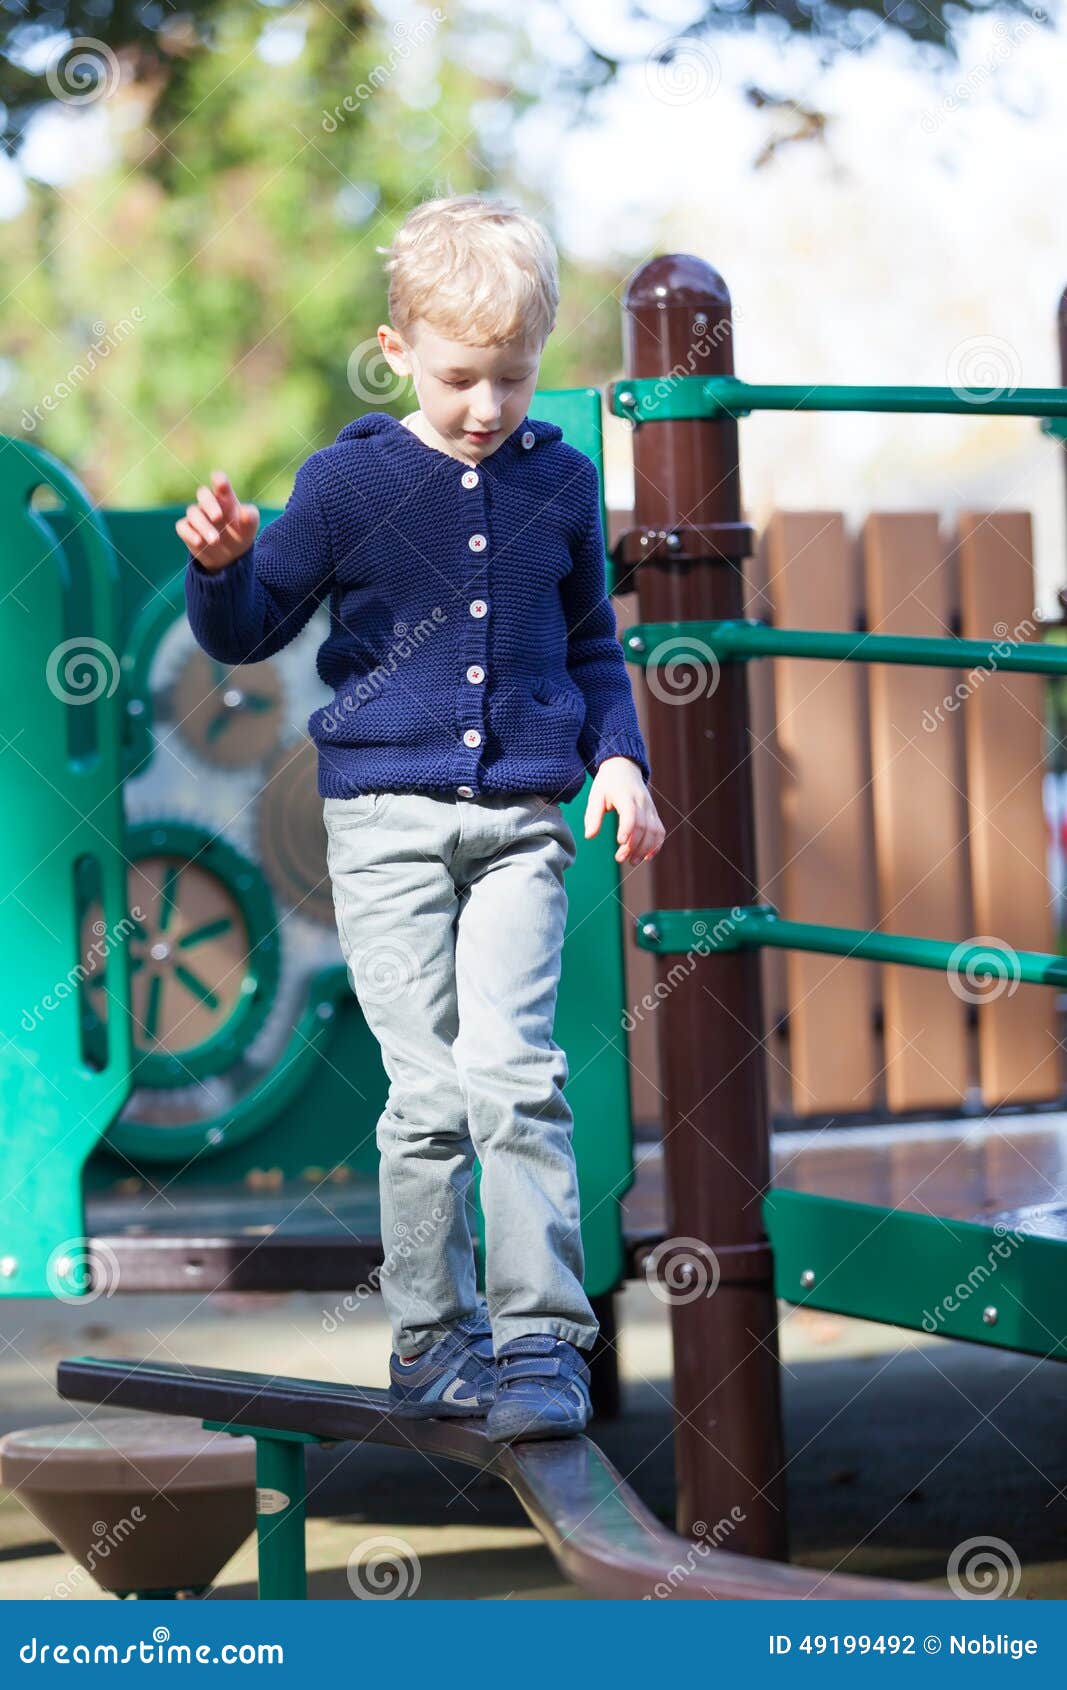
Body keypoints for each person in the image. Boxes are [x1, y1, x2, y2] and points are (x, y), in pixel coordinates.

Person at [175, 192, 664, 1443]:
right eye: (459, 379)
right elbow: (247, 634)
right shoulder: (348, 482)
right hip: (382, 824)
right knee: (430, 1092)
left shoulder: (558, 484)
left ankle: (541, 1341)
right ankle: (429, 1335)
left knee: (518, 1076)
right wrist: (223, 566)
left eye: (514, 376)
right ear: (396, 353)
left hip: (519, 827)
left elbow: (592, 647)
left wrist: (619, 760)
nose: (489, 407)